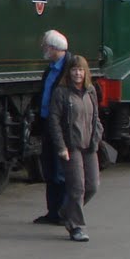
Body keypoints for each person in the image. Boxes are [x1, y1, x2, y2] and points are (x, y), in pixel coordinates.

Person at [47, 54, 101, 242]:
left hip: (89, 145)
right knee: (77, 188)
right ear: (68, 73)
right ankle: (76, 227)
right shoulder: (61, 93)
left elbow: (96, 118)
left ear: (86, 72)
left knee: (92, 186)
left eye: (80, 70)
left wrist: (97, 136)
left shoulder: (91, 91)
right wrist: (61, 147)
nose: (77, 73)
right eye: (74, 70)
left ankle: (66, 210)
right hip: (71, 147)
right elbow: (53, 121)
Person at [32, 30, 71, 225]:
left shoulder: (70, 69)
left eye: (46, 47)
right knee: (49, 169)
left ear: (54, 48)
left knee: (60, 171)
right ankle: (53, 212)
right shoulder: (51, 68)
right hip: (47, 123)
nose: (44, 50)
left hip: (61, 127)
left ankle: (63, 212)